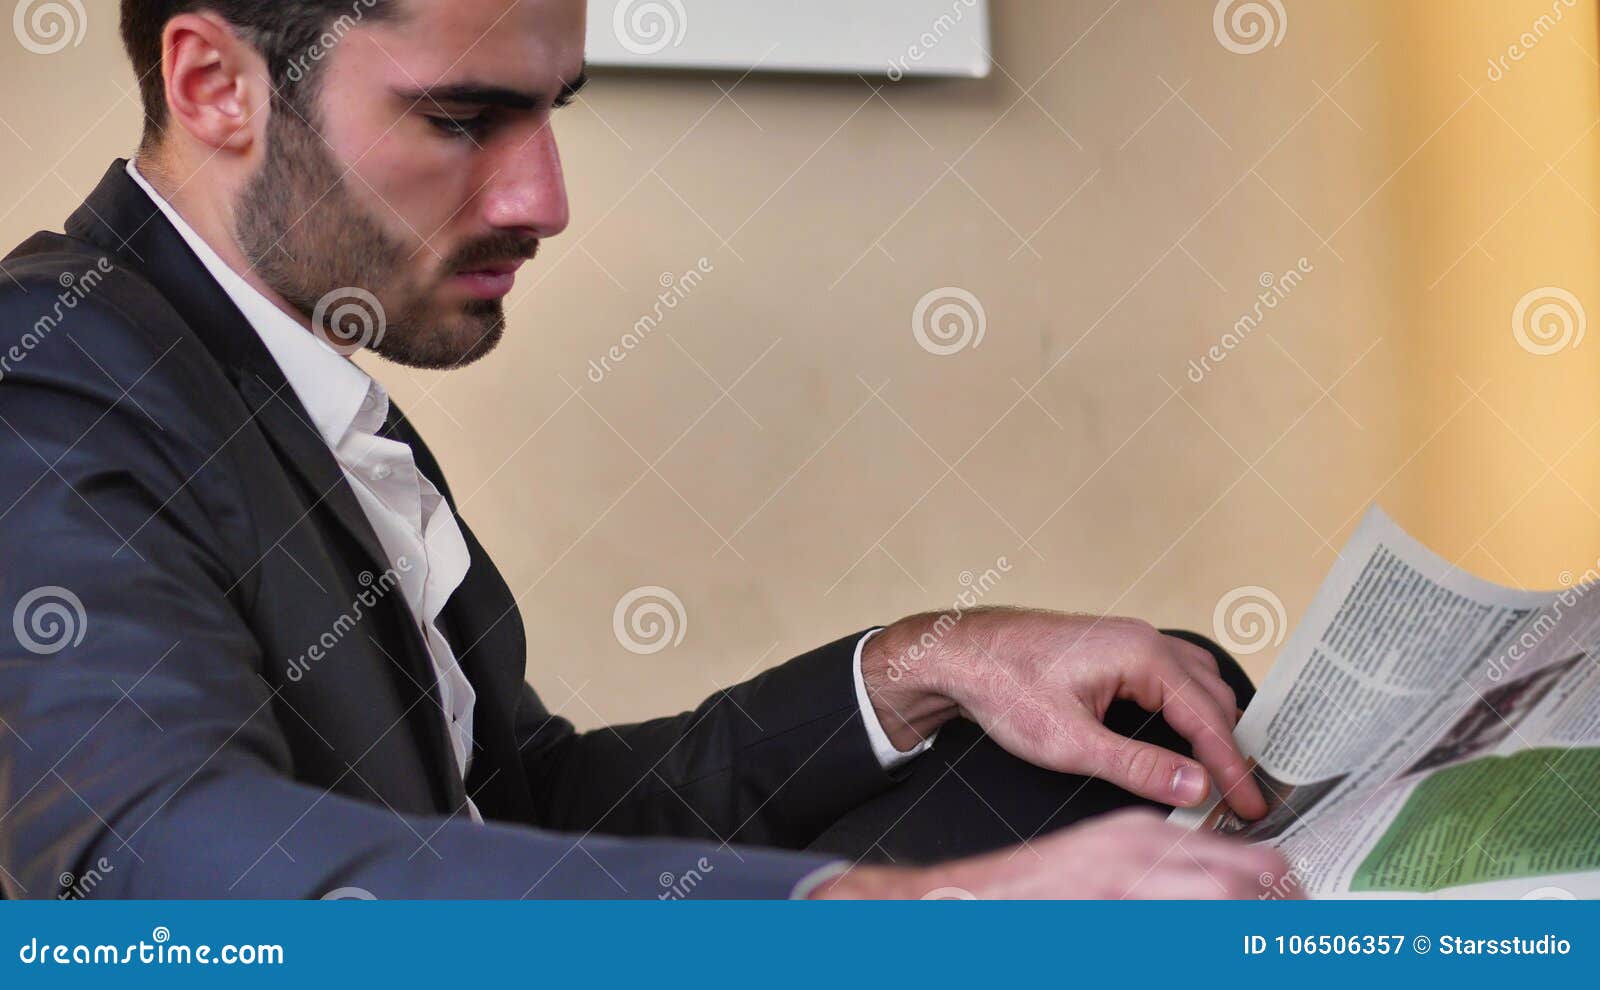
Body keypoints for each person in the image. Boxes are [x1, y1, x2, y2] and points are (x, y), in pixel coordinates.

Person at [0, 0, 1284, 899]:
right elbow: (158, 867)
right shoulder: (45, 371)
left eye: (551, 113)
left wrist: (912, 670)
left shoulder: (287, 382)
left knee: (1139, 749)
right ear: (215, 86)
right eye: (462, 117)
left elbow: (521, 820)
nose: (543, 199)